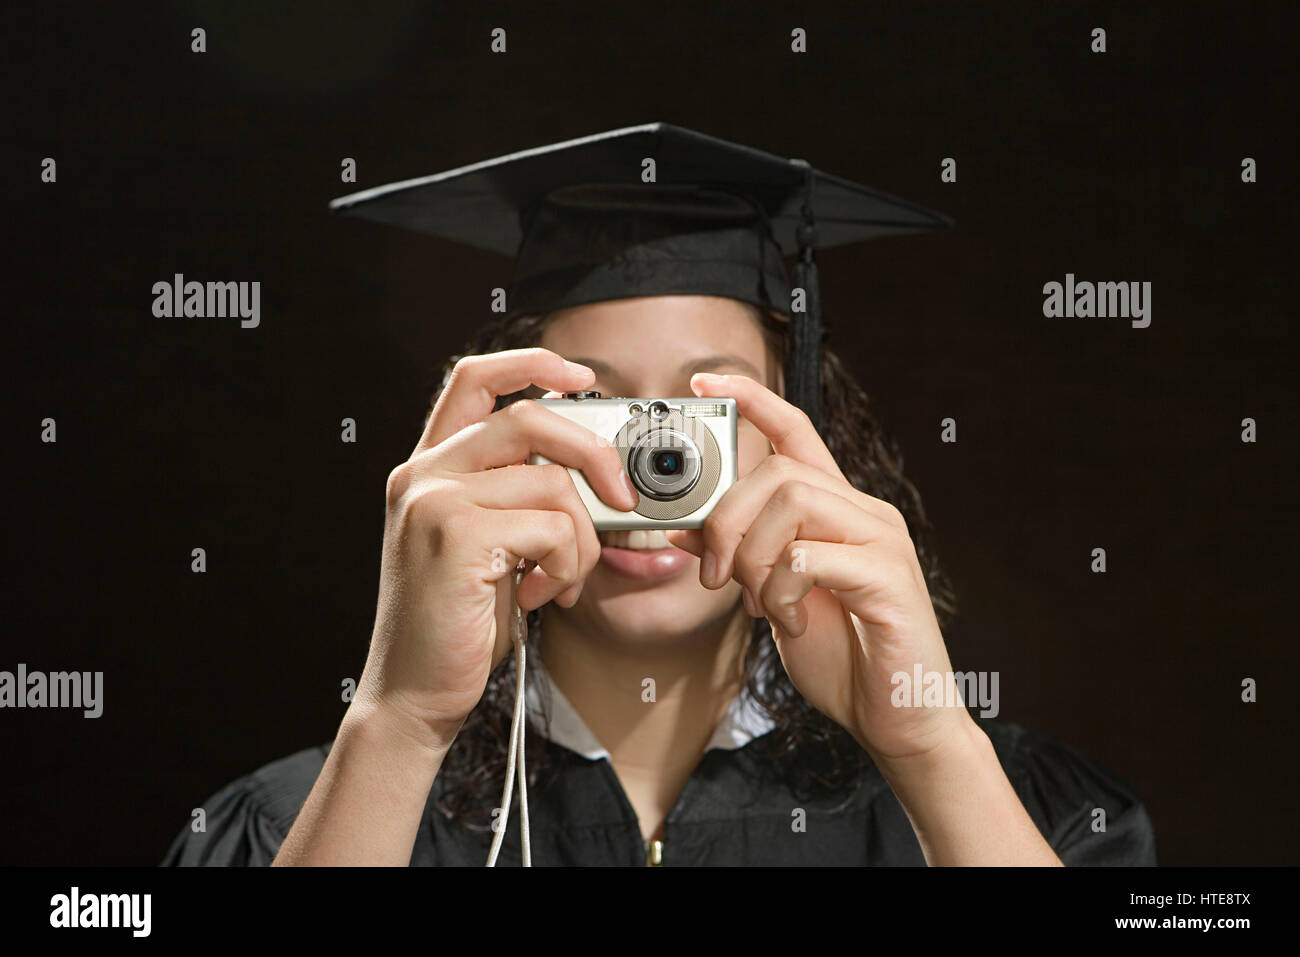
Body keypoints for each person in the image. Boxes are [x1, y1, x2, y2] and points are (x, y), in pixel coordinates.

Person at [163, 124, 1157, 867]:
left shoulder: (1028, 812)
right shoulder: (301, 822)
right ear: (506, 439)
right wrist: (399, 716)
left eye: (699, 415)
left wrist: (929, 737)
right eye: (590, 407)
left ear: (801, 436)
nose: (648, 468)